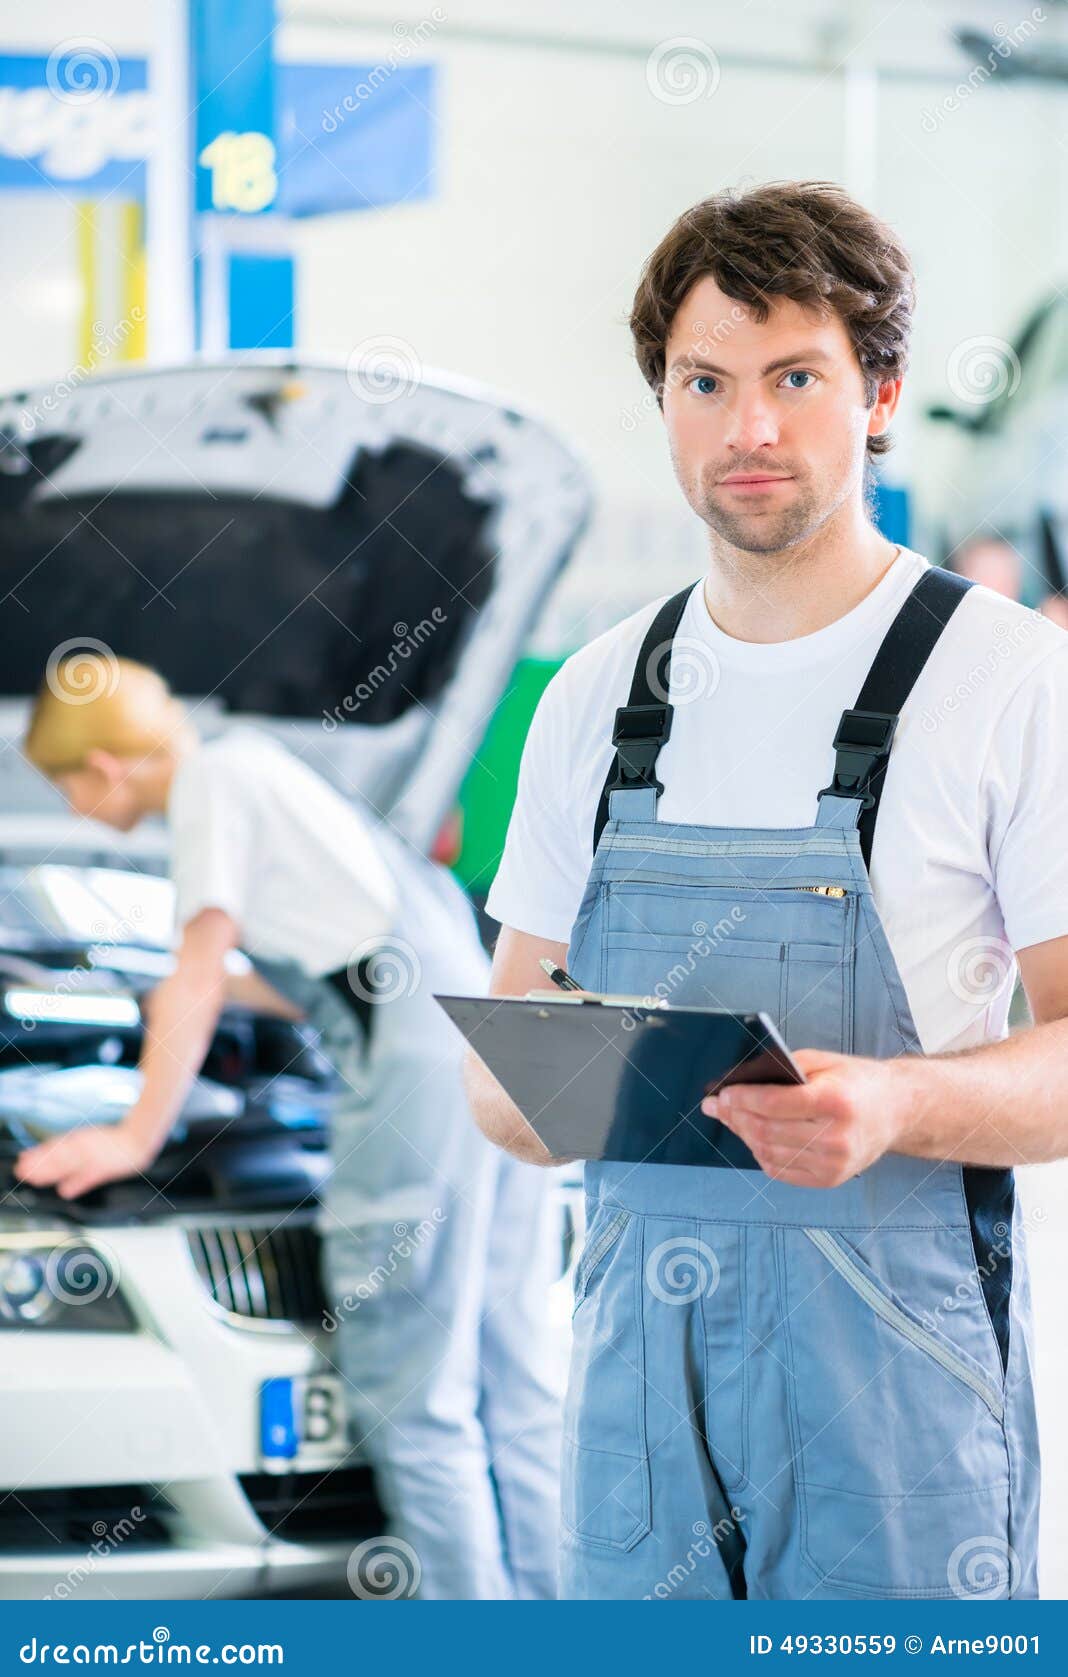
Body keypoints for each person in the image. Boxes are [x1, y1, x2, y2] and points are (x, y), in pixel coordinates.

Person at [467, 180, 1068, 1601]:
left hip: (897, 1388)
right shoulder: (596, 700)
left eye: (796, 376)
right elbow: (501, 1083)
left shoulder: (1008, 681)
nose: (748, 428)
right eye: (705, 381)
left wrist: (896, 1104)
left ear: (880, 392)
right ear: (663, 398)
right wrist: (604, 1080)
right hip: (636, 1391)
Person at [17, 661, 562, 1600]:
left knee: (413, 1389)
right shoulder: (271, 770)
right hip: (489, 1043)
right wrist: (179, 995)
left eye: (65, 785)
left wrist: (132, 1138)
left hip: (416, 1070)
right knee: (510, 1377)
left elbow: (199, 964)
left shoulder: (210, 782)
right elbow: (328, 963)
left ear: (104, 765)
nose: (71, 806)